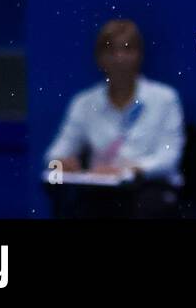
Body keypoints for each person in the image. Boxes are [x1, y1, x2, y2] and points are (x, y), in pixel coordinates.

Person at [45, 19, 186, 217]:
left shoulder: (164, 99)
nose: (119, 58)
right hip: (101, 192)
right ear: (100, 58)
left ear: (139, 55)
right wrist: (61, 164)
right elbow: (55, 155)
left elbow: (169, 157)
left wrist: (129, 171)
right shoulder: (84, 103)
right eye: (111, 51)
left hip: (150, 188)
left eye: (127, 49)